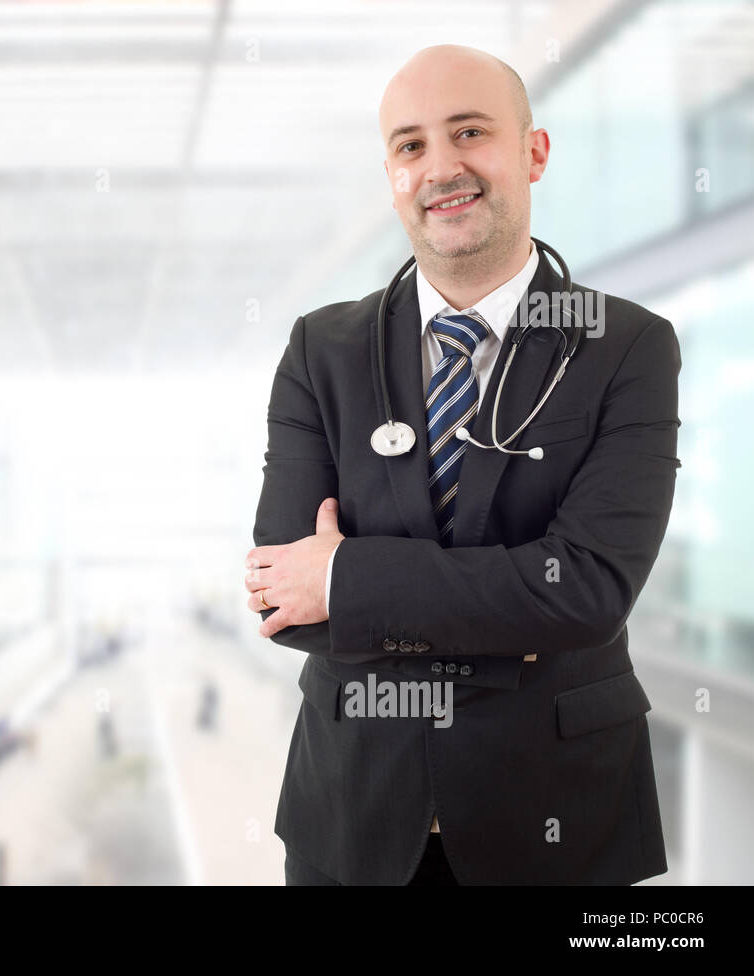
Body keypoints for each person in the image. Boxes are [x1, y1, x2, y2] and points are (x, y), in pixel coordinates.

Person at [244, 45, 680, 885]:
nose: (441, 167)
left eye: (470, 132)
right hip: (353, 820)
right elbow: (282, 600)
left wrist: (348, 580)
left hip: (558, 820)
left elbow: (587, 592)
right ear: (392, 175)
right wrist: (509, 607)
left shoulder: (625, 346)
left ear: (534, 152)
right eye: (410, 146)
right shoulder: (321, 349)